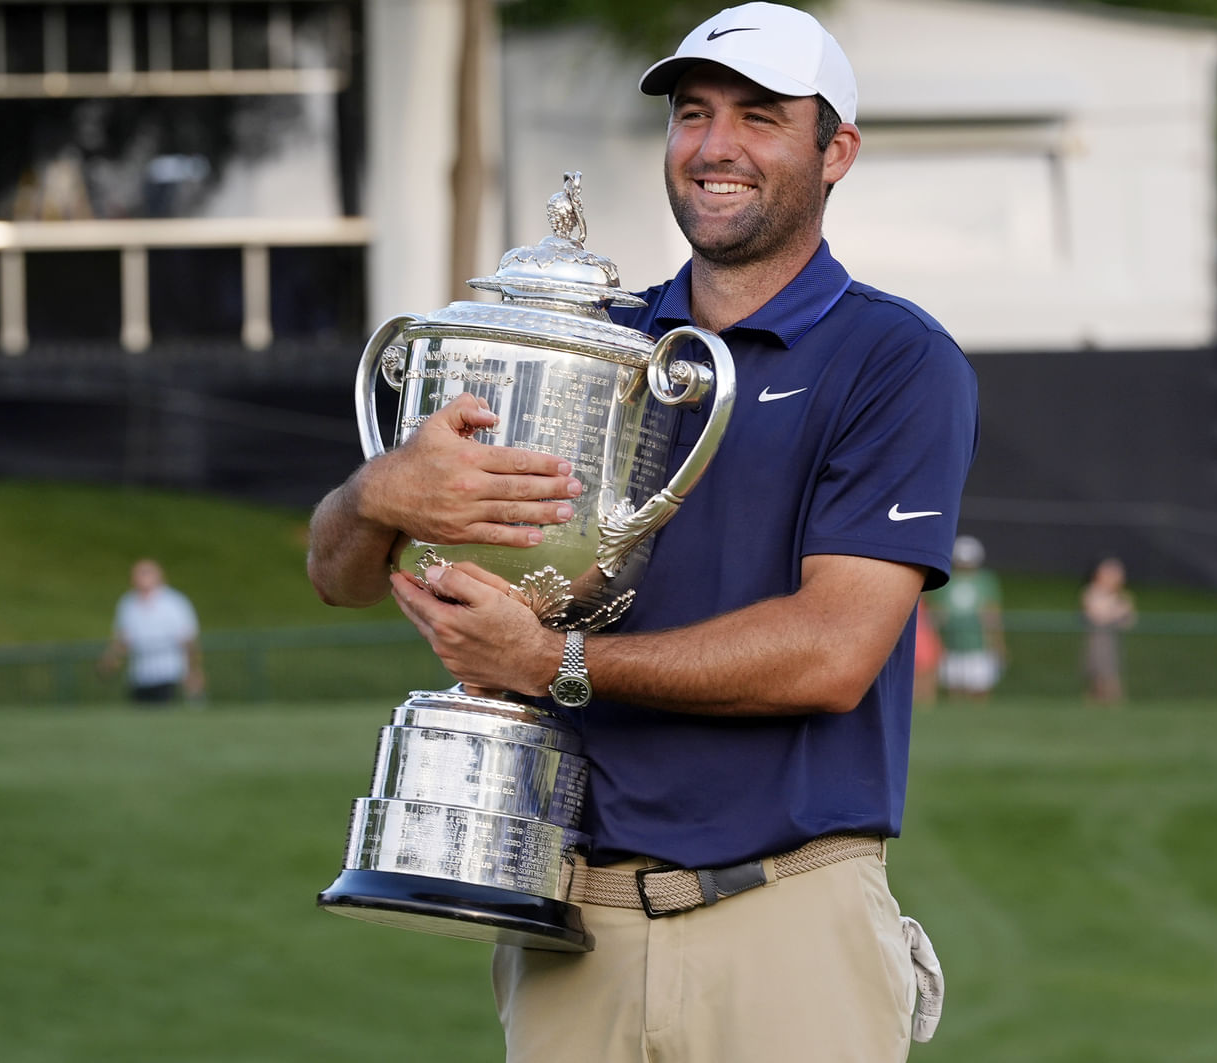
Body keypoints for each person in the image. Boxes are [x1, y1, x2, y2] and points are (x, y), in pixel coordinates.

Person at [305, 4, 976, 1059]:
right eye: (693, 114)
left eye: (759, 117)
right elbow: (336, 574)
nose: (715, 146)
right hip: (570, 923)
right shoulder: (590, 349)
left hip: (786, 919)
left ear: (833, 150)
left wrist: (552, 659)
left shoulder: (893, 359)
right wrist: (384, 493)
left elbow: (835, 651)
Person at [98, 559, 203, 705]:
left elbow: (188, 640)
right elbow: (122, 639)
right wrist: (110, 660)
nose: (140, 578)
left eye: (145, 573)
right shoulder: (127, 603)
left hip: (169, 673)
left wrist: (194, 671)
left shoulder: (175, 603)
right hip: (139, 676)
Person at [924, 535, 1005, 701]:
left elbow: (992, 615)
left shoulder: (985, 580)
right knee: (954, 690)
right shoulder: (945, 580)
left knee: (980, 688)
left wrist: (997, 642)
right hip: (951, 644)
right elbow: (937, 614)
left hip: (978, 644)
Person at [1080, 555, 1135, 706]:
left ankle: (1114, 702)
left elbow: (1128, 621)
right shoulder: (1091, 593)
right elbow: (1098, 616)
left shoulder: (1121, 596)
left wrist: (1118, 611)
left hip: (1112, 642)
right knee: (1097, 677)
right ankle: (1096, 702)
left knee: (1111, 674)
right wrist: (1115, 610)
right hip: (1097, 641)